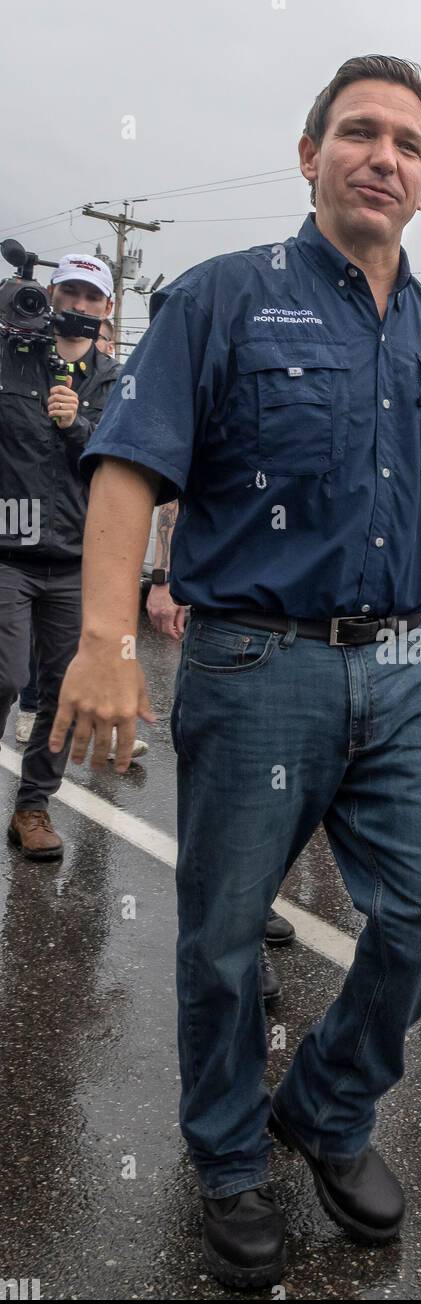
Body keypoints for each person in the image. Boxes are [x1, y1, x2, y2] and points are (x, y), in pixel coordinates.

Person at [51, 55, 421, 1290]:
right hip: (254, 660)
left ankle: (323, 1106)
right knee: (222, 938)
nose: (383, 157)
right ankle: (229, 1157)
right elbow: (126, 469)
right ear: (309, 156)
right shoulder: (220, 299)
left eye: (407, 144)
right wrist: (102, 643)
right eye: (358, 133)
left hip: (405, 661)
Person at [146, 497, 296, 1001]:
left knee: (291, 798)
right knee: (238, 801)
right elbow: (171, 488)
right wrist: (164, 579)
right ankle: (238, 935)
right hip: (236, 620)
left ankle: (255, 904)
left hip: (319, 621)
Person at [0, 253, 118, 859]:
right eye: (68, 293)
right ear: (50, 295)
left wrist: (77, 427)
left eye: (90, 297)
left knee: (63, 693)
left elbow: (120, 471)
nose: (78, 305)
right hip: (7, 553)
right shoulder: (11, 355)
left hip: (76, 560)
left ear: (107, 308)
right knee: (6, 674)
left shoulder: (117, 381)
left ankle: (32, 809)